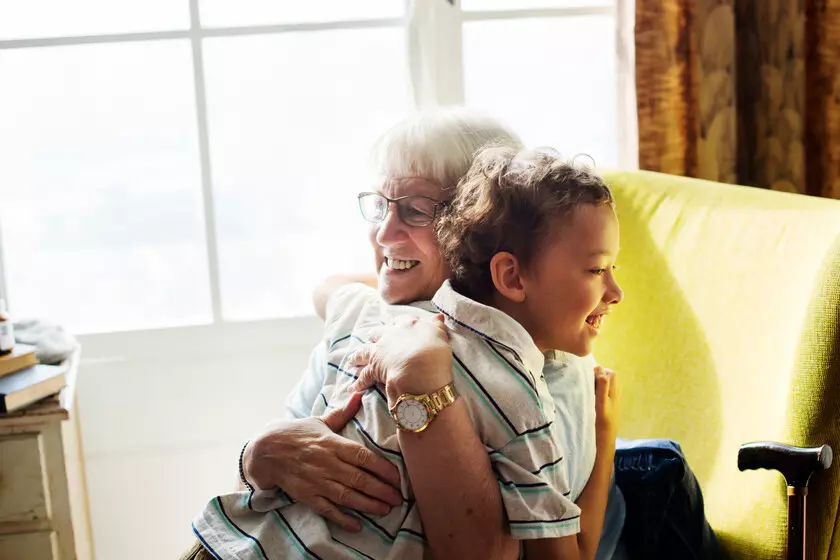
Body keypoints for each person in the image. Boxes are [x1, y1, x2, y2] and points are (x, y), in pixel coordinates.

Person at [183, 109, 716, 560]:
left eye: (414, 210)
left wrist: (418, 381)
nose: (383, 233)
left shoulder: (542, 375)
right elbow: (268, 495)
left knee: (654, 471)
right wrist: (257, 454)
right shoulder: (373, 316)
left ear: (479, 225)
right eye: (380, 205)